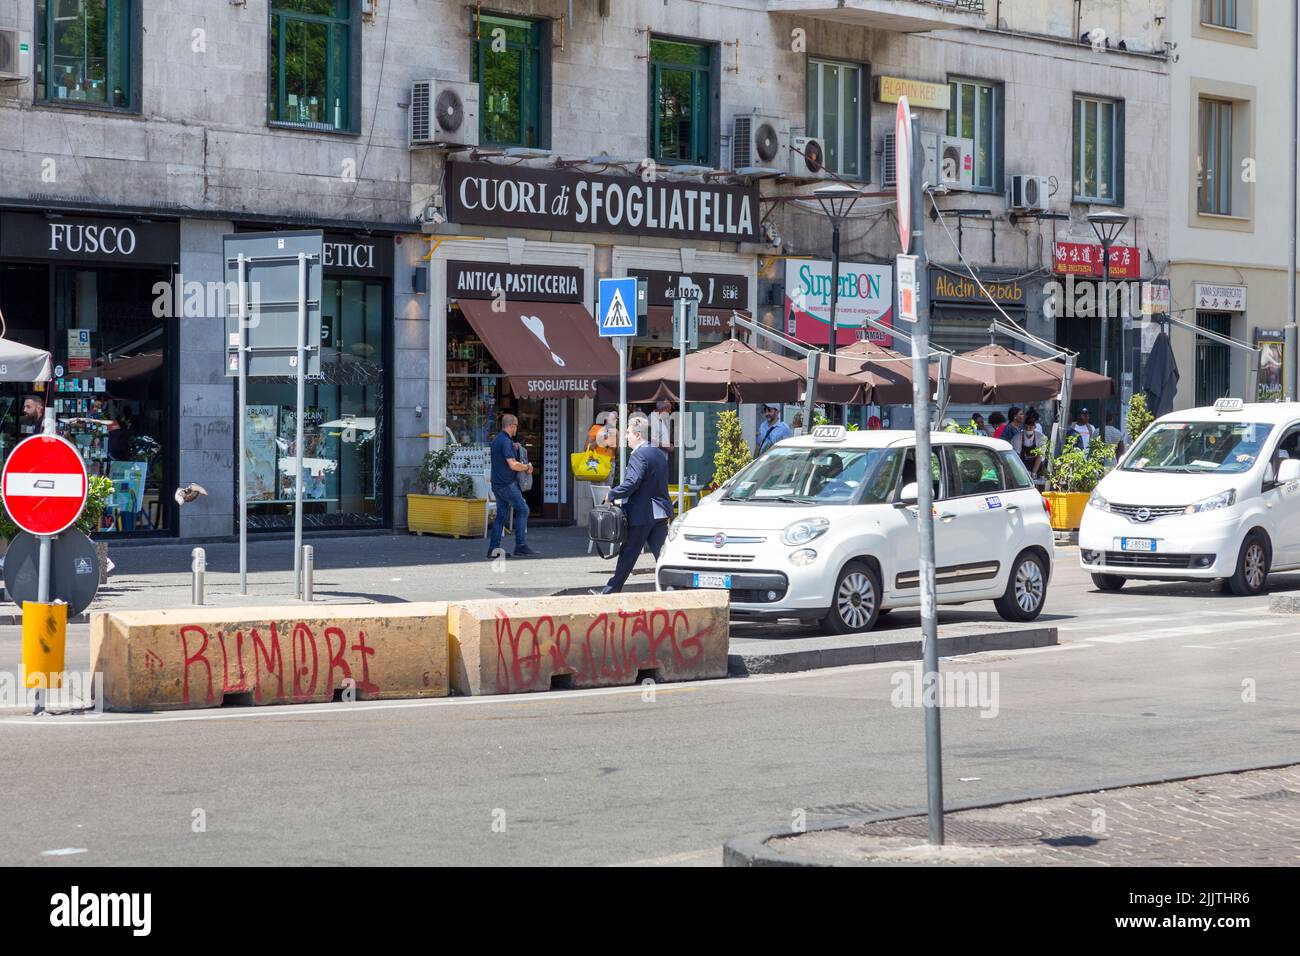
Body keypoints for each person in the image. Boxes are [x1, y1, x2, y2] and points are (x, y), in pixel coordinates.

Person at [593, 415, 672, 594]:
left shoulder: (639, 454)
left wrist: (612, 493)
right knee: (663, 557)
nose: (626, 437)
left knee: (628, 554)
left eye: (628, 433)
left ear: (637, 435)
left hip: (642, 514)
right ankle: (673, 590)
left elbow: (632, 482)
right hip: (659, 514)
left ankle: (610, 591)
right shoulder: (658, 453)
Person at [488, 414, 537, 559]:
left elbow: (504, 458)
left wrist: (514, 447)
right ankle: (520, 546)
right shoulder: (505, 442)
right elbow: (512, 464)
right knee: (523, 509)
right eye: (515, 425)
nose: (516, 428)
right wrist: (527, 467)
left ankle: (493, 549)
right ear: (511, 425)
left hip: (496, 484)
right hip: (506, 484)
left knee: (501, 516)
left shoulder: (498, 440)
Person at [1021, 408, 1044, 478]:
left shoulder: (1038, 429)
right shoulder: (1022, 433)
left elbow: (1040, 455)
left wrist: (1034, 472)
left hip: (1038, 464)